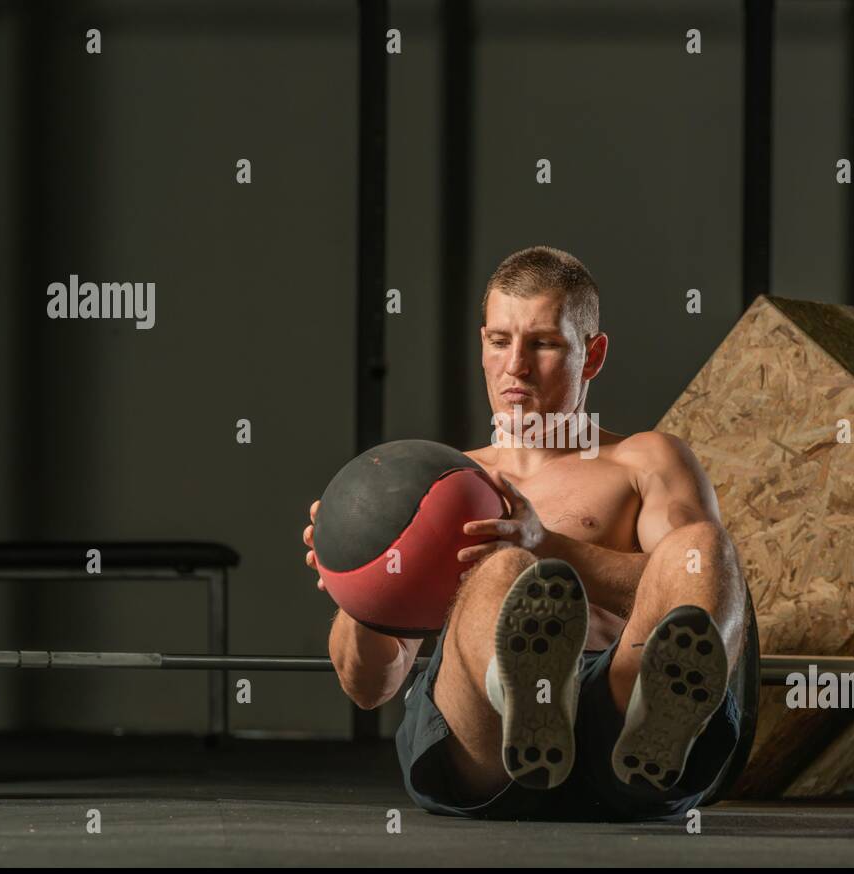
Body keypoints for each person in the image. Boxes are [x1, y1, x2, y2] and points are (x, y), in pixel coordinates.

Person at [301, 245, 751, 821]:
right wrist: (361, 580)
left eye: (543, 343)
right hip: (483, 740)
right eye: (499, 341)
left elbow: (698, 587)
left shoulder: (645, 461)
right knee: (505, 571)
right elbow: (370, 688)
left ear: (592, 355)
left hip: (620, 725)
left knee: (704, 547)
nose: (515, 366)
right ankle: (520, 693)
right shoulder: (438, 484)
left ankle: (652, 720)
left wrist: (546, 544)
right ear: (482, 345)